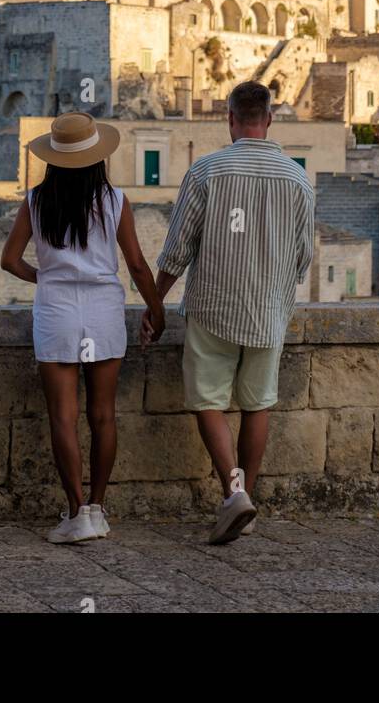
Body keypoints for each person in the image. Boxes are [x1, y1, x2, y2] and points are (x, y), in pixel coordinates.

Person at [145, 81, 314, 544]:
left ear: (231, 118)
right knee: (257, 403)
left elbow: (176, 251)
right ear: (271, 119)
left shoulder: (206, 172)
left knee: (209, 401)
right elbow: (303, 257)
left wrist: (155, 304)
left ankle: (233, 493)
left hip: (213, 305)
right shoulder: (296, 179)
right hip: (268, 310)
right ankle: (247, 503)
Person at [1, 112, 164, 544]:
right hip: (103, 310)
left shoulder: (35, 201)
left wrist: (46, 277)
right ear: (98, 158)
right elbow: (137, 265)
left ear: (53, 159)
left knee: (64, 417)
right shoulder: (115, 201)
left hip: (57, 312)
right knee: (103, 416)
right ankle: (98, 506)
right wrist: (156, 309)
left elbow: (10, 260)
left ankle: (75, 514)